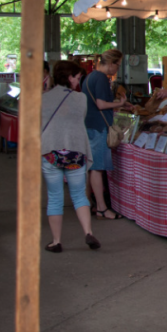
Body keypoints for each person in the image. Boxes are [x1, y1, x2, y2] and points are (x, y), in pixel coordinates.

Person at [41, 60, 100, 253]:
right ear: (69, 77)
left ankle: (56, 241)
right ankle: (88, 232)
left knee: (55, 197)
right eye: (77, 77)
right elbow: (77, 120)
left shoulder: (42, 98)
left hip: (51, 152)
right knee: (79, 194)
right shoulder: (81, 99)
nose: (78, 81)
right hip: (76, 152)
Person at [82, 50, 132, 221]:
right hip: (98, 127)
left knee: (91, 167)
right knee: (97, 168)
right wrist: (120, 103)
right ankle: (102, 208)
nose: (117, 69)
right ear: (111, 63)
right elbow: (101, 104)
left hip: (89, 126)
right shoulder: (102, 78)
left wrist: (121, 106)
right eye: (118, 65)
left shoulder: (90, 77)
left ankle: (87, 202)